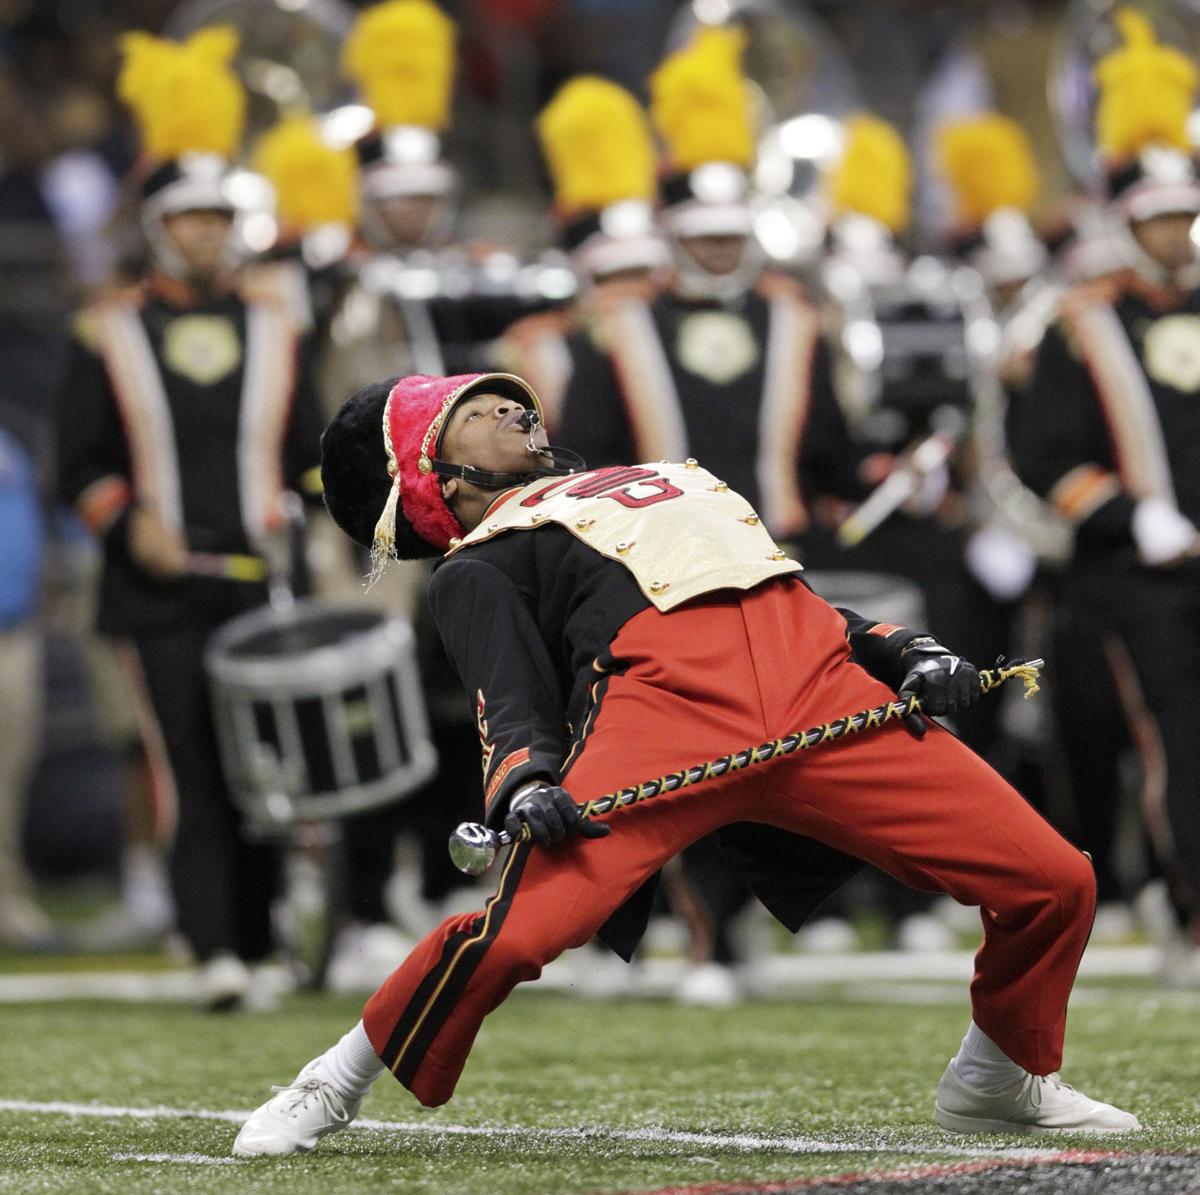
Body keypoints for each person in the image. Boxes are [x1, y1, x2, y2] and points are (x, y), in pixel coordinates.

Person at [233, 369, 1137, 1155]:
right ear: (435, 478)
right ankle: (332, 1077)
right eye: (475, 414)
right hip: (662, 720)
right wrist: (524, 781)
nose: (513, 409)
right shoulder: (480, 561)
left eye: (509, 401)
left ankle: (1000, 1074)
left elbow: (792, 596)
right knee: (517, 934)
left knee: (1054, 880)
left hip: (822, 697)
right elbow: (504, 698)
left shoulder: (669, 479)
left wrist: (905, 650)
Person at [55, 27, 325, 1009]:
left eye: (220, 217)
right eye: (191, 218)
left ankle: (260, 942)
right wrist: (130, 524)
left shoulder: (275, 322)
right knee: (193, 767)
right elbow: (77, 463)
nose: (208, 233)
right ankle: (211, 941)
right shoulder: (109, 328)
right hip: (159, 591)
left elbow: (307, 449)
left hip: (264, 580)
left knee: (269, 773)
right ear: (162, 226)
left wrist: (337, 508)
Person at [1010, 9, 1200, 985]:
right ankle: (1190, 911)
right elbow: (1041, 452)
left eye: (1186, 212)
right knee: (1175, 741)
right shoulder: (1078, 323)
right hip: (1136, 573)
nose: (1178, 230)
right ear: (1125, 223)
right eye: (1160, 216)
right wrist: (1135, 514)